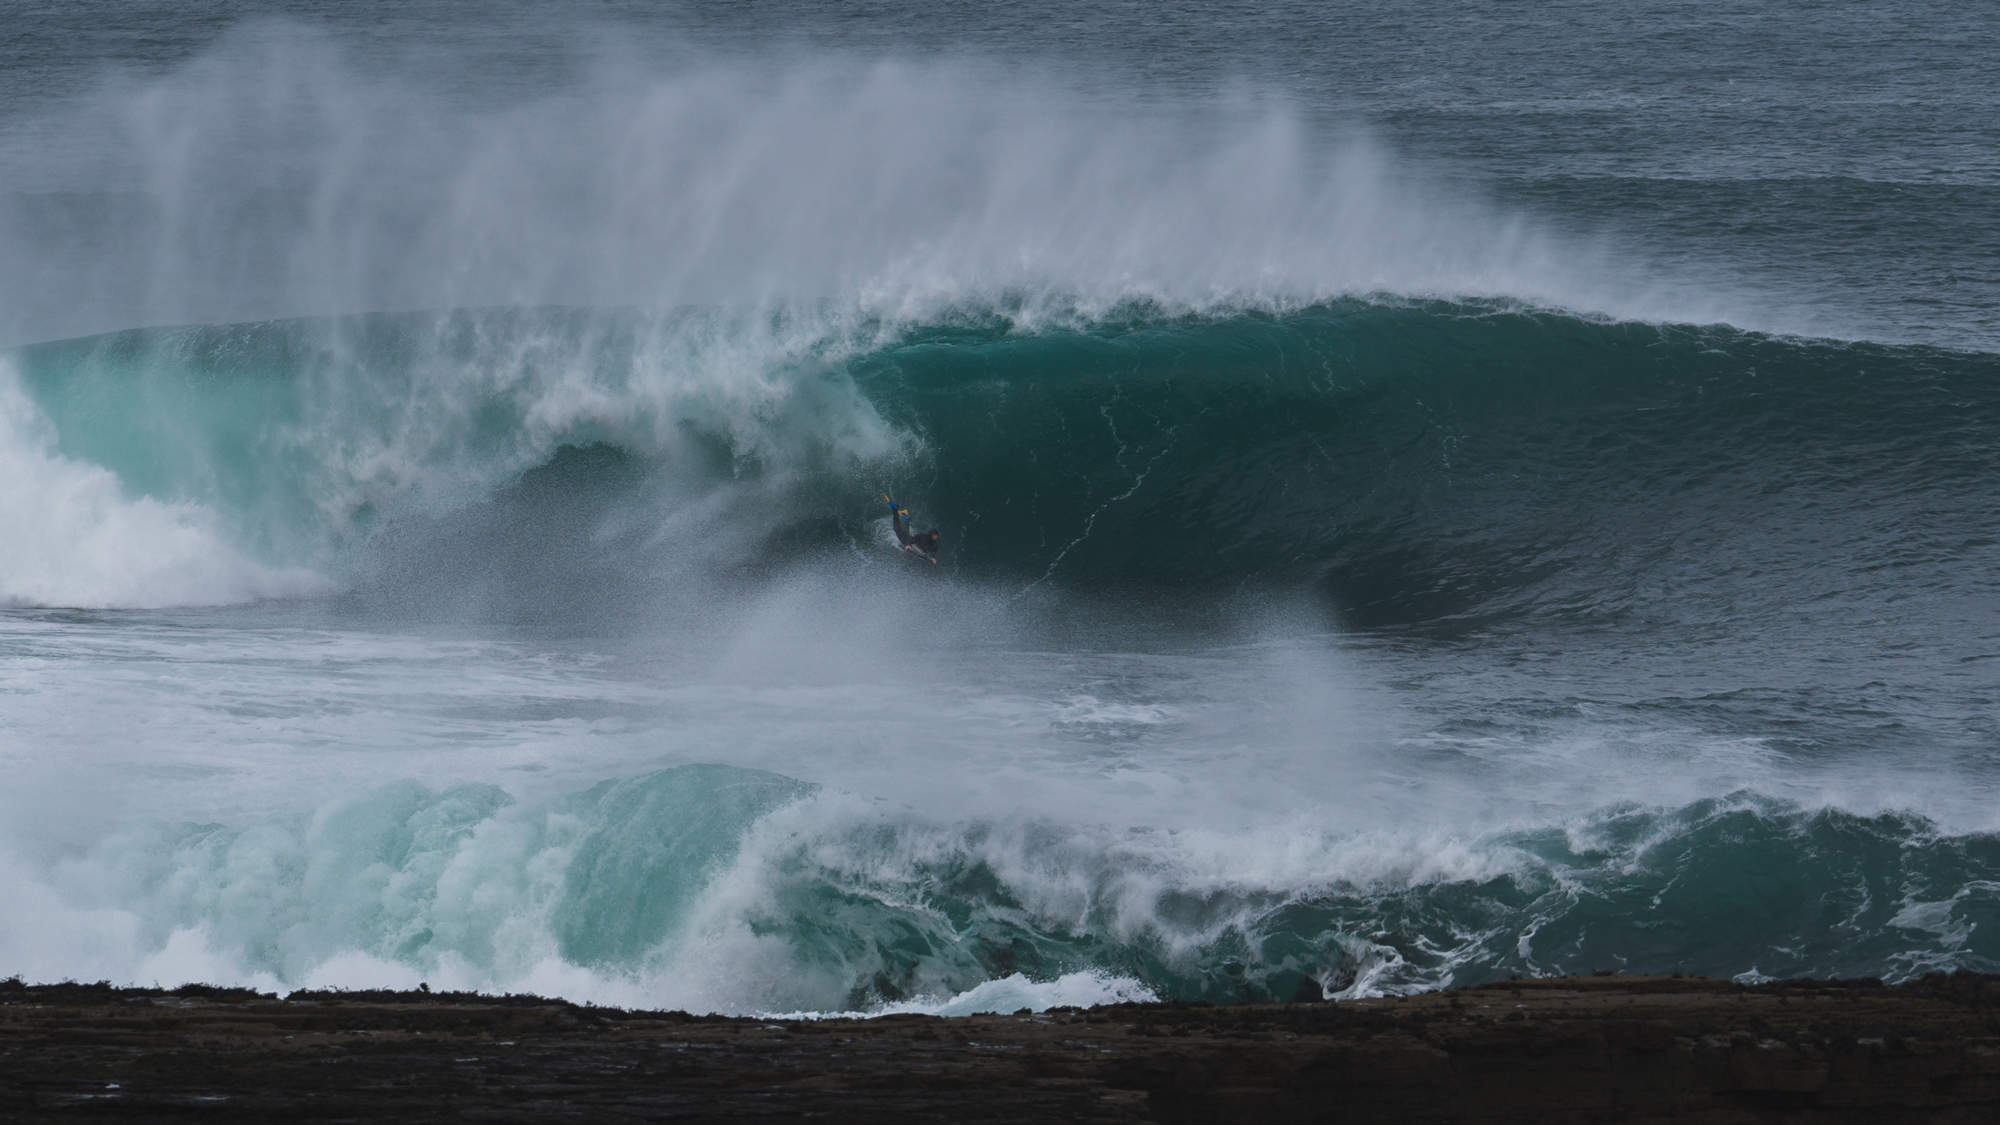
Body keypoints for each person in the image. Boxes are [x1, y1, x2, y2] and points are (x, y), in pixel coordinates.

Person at [884, 494, 940, 561]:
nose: (936, 536)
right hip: (906, 541)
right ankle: (895, 509)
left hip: (909, 541)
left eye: (936, 535)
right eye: (934, 535)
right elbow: (912, 540)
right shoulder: (922, 536)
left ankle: (906, 520)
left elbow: (933, 552)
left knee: (905, 534)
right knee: (897, 529)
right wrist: (907, 545)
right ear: (931, 534)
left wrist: (933, 558)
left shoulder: (934, 546)